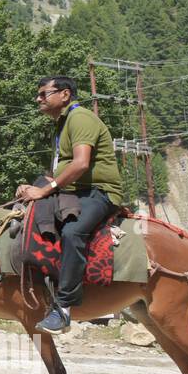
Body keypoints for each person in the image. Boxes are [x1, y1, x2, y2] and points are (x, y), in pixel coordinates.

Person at [15, 76, 125, 335]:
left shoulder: (80, 118)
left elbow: (80, 164)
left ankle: (63, 308)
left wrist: (45, 190)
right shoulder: (61, 124)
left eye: (44, 93)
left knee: (72, 232)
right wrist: (34, 189)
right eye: (38, 94)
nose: (38, 99)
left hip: (100, 193)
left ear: (65, 94)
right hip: (76, 192)